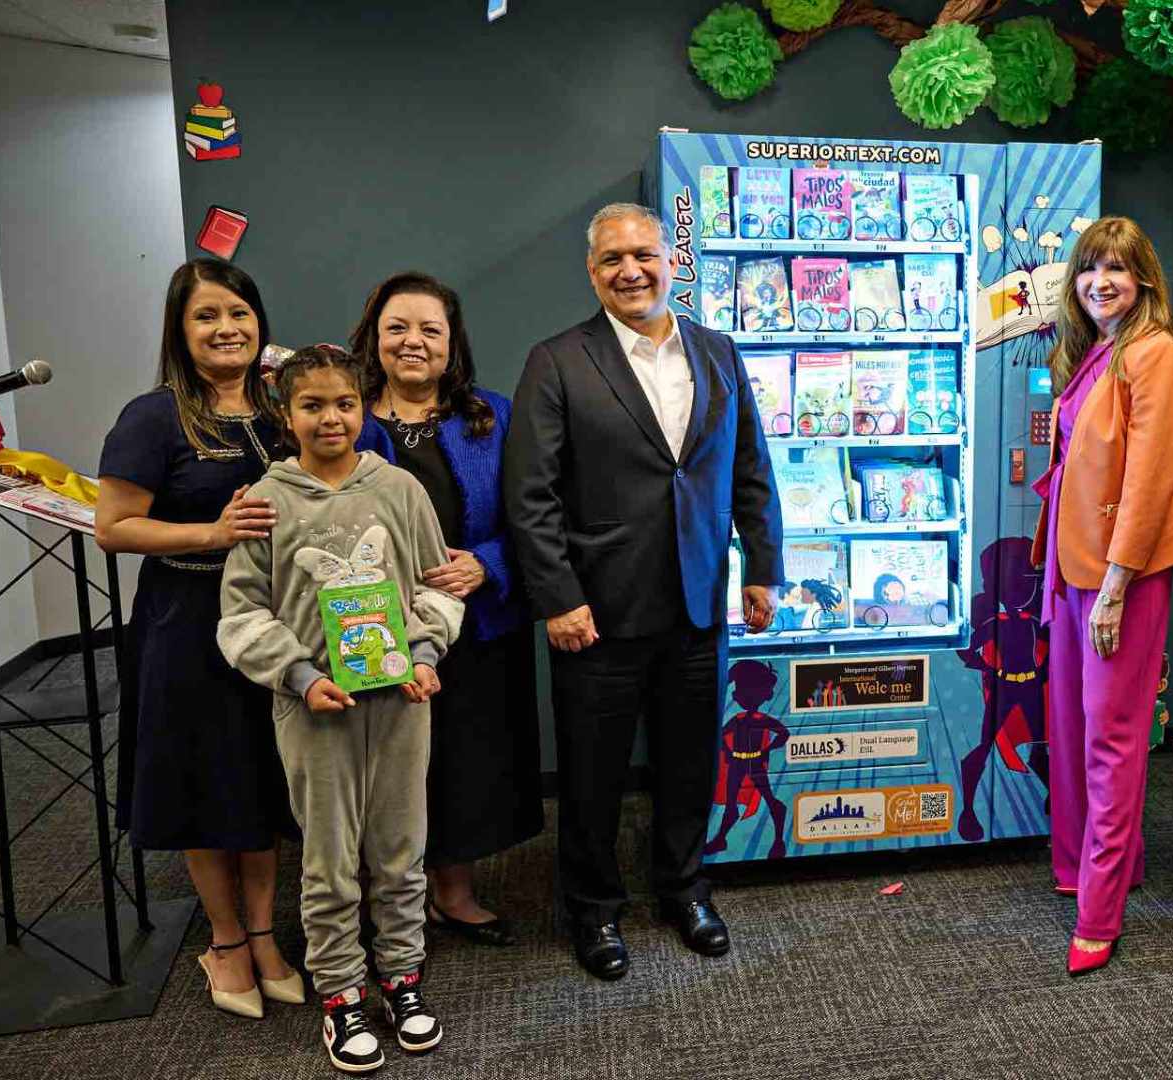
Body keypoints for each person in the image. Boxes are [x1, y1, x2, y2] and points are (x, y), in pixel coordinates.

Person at [503, 203, 783, 981]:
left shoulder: (719, 353)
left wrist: (763, 565)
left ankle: (683, 890)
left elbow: (750, 468)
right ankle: (593, 910)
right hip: (596, 611)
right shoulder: (556, 361)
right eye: (611, 260)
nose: (630, 270)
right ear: (592, 273)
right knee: (591, 775)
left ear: (671, 262)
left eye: (644, 255)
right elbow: (530, 494)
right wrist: (557, 597)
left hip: (698, 600)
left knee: (691, 763)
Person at [218, 345, 464, 1072]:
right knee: (329, 861)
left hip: (400, 704)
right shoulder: (265, 500)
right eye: (313, 405)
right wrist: (296, 674)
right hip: (313, 711)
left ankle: (404, 980)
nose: (331, 418)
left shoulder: (399, 490)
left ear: (364, 407)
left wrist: (423, 656)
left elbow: (438, 586)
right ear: (284, 414)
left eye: (345, 403)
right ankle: (342, 993)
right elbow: (240, 617)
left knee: (399, 850)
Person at [95, 259, 301, 1019]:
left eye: (239, 313)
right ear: (181, 333)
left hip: (279, 625)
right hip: (189, 624)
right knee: (206, 783)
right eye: (207, 316)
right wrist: (212, 531)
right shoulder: (153, 418)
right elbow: (112, 528)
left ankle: (263, 931)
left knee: (262, 779)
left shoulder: (282, 409)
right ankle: (223, 940)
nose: (227, 329)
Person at [350, 272, 539, 947]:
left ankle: (453, 892)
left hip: (477, 621)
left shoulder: (492, 413)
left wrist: (488, 561)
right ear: (374, 338)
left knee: (465, 760)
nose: (413, 342)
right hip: (375, 625)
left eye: (430, 329)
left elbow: (535, 512)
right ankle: (387, 900)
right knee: (381, 767)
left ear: (452, 343)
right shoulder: (347, 418)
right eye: (398, 327)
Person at [1028, 215, 1173, 976]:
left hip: (1117, 581)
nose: (1102, 281)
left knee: (1111, 739)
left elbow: (1151, 479)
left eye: (1118, 270)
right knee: (1069, 728)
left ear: (1145, 282)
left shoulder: (1156, 354)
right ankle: (1089, 867)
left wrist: (1118, 586)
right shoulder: (1099, 350)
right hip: (1073, 573)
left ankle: (1100, 915)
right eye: (1091, 268)